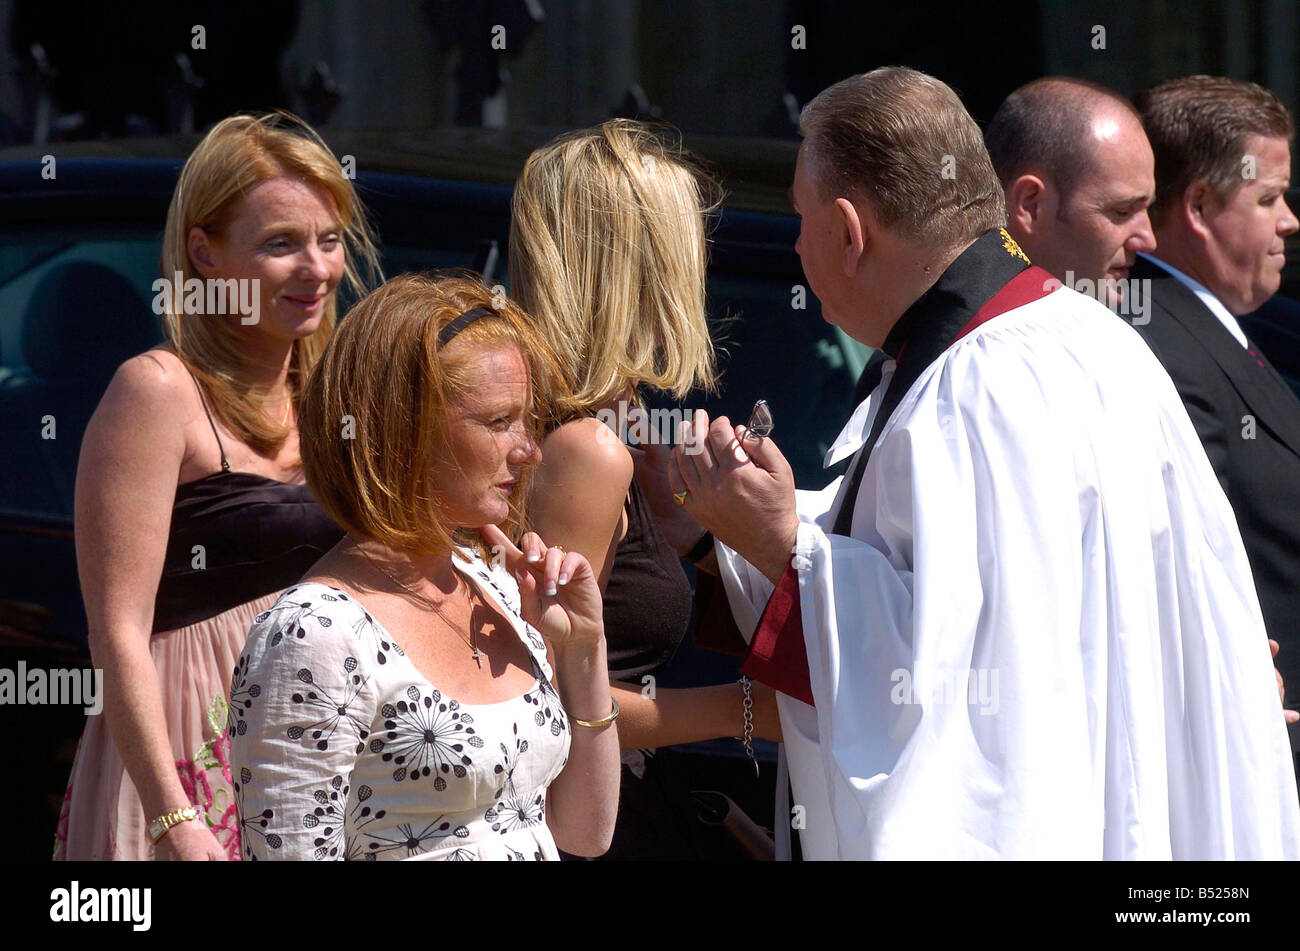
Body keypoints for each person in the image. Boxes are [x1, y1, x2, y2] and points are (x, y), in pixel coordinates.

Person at [667, 67, 1300, 859]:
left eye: (799, 217)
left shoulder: (969, 392)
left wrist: (773, 543)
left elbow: (939, 694)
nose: (795, 245)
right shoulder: (1096, 342)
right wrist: (735, 531)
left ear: (849, 230)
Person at [55, 112, 381, 861]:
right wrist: (174, 821)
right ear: (203, 253)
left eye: (328, 240)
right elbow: (118, 635)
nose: (317, 268)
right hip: (183, 766)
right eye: (280, 244)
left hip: (319, 761)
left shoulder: (339, 393)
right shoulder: (156, 391)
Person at [229, 274, 621, 860]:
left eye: (527, 420)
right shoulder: (314, 634)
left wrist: (584, 650)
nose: (529, 449)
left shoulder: (492, 586)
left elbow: (585, 834)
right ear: (403, 430)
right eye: (497, 422)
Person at [508, 120, 781, 859]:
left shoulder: (603, 422)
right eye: (684, 243)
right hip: (586, 825)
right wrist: (749, 708)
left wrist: (686, 532)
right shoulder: (586, 447)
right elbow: (550, 697)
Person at [1127, 77, 1300, 762]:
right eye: (1268, 199)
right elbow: (1191, 557)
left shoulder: (1214, 330)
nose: (1290, 219)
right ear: (1197, 204)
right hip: (1240, 757)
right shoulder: (1155, 337)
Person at [985, 77, 1157, 306]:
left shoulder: (1136, 327)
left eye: (1148, 208)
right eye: (1123, 211)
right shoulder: (967, 336)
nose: (1148, 242)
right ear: (1031, 204)